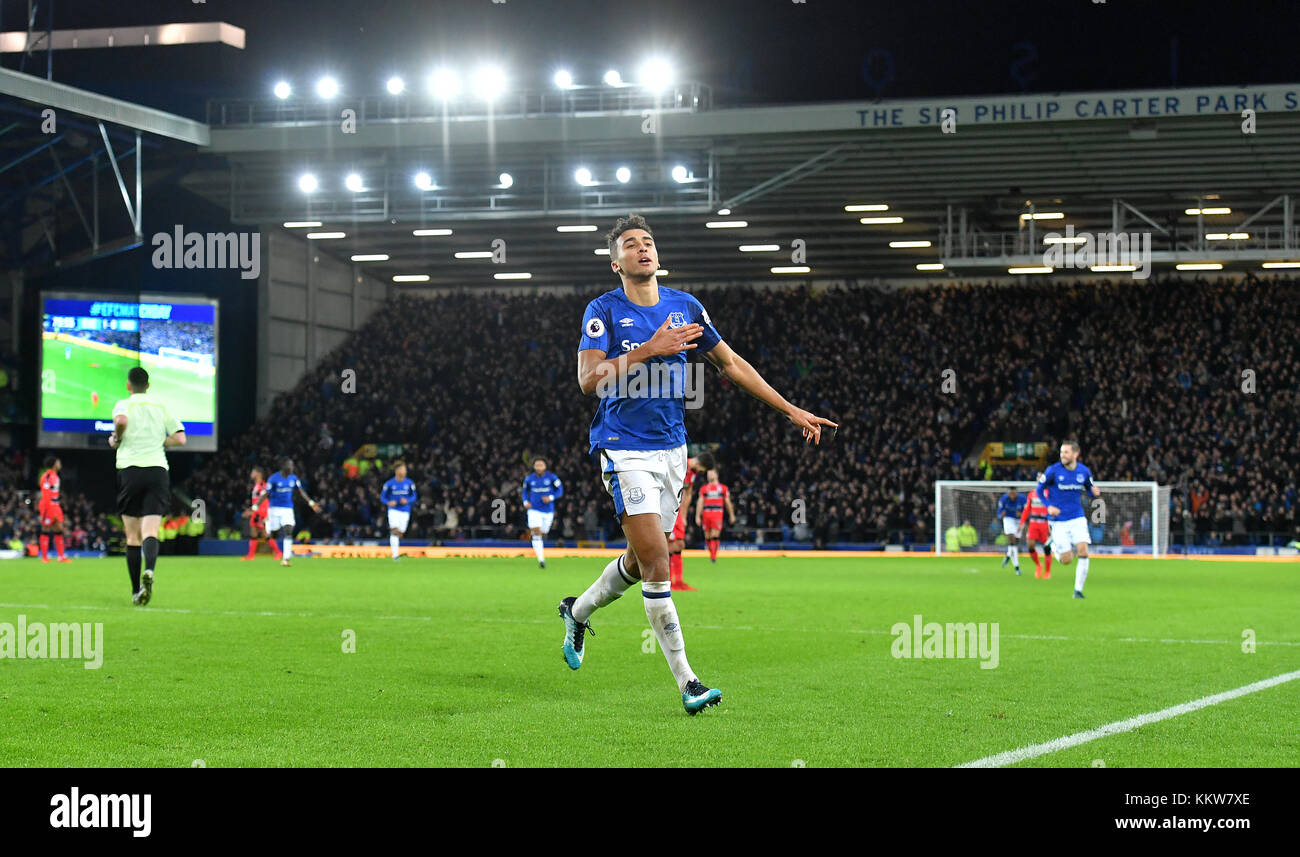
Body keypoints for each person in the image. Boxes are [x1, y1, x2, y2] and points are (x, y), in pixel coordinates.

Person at [557, 213, 837, 715]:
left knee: (644, 561)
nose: (643, 248)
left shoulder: (686, 307)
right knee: (658, 562)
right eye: (631, 244)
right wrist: (651, 348)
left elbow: (731, 364)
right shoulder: (602, 310)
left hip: (672, 449)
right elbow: (588, 379)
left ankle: (576, 611)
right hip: (623, 445)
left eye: (648, 241)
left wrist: (791, 408)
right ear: (615, 261)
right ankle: (688, 683)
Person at [109, 367, 186, 605]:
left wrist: (117, 438)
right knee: (150, 531)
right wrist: (159, 440)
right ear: (149, 385)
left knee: (132, 536)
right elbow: (181, 438)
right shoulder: (160, 406)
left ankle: (135, 591)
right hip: (157, 470)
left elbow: (121, 421)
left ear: (128, 385)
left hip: (131, 470)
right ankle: (150, 570)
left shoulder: (124, 404)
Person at [1038, 439, 1101, 599]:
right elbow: (1039, 490)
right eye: (1061, 452)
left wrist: (1093, 491)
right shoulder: (1053, 470)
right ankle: (1052, 546)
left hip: (1077, 517)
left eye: (1065, 452)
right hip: (1058, 520)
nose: (1062, 455)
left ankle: (1078, 590)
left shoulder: (1084, 471)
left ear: (1075, 453)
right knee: (1066, 560)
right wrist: (1048, 506)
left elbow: (1089, 487)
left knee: (1083, 550)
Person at [667, 452, 714, 591]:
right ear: (699, 464)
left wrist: (683, 516)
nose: (701, 473)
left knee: (680, 544)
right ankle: (667, 582)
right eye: (702, 470)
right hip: (668, 508)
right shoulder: (679, 463)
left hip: (678, 513)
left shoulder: (692, 473)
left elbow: (688, 493)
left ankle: (679, 582)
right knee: (669, 546)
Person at [265, 458, 321, 567]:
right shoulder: (273, 478)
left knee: (288, 531)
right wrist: (255, 506)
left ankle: (286, 558)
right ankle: (268, 527)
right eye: (290, 466)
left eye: (292, 465)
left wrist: (311, 503)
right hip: (274, 509)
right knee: (274, 534)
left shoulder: (293, 478)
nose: (292, 468)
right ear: (284, 467)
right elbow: (266, 494)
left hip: (287, 509)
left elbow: (301, 491)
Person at [521, 457, 563, 568]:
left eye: (541, 465)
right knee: (537, 532)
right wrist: (525, 502)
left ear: (545, 466)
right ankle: (541, 560)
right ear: (534, 467)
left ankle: (535, 541)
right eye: (537, 465)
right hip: (534, 510)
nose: (539, 467)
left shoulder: (552, 477)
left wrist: (550, 497)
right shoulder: (529, 479)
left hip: (548, 511)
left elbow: (560, 490)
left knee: (543, 533)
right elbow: (524, 492)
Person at [242, 466, 283, 561]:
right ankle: (251, 555)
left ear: (258, 474)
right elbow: (256, 501)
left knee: (264, 534)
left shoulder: (263, 486)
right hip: (256, 512)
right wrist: (250, 510)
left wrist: (264, 515)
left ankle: (278, 552)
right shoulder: (256, 486)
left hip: (260, 513)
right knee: (254, 533)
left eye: (253, 472)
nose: (251, 474)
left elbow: (265, 500)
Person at [696, 468, 735, 563]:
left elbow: (728, 502)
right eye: (708, 474)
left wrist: (731, 515)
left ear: (716, 475)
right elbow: (700, 502)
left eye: (711, 473)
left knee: (715, 535)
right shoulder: (704, 488)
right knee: (707, 536)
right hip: (706, 513)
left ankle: (713, 556)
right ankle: (711, 554)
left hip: (717, 513)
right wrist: (697, 516)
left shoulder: (723, 488)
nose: (709, 475)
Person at [381, 460, 417, 561]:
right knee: (394, 530)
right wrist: (388, 502)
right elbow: (382, 497)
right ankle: (395, 555)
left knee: (401, 531)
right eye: (403, 469)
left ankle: (396, 534)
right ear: (397, 470)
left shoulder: (409, 483)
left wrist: (407, 500)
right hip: (393, 510)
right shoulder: (389, 483)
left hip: (405, 510)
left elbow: (414, 496)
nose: (405, 471)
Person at [1017, 481, 1053, 579]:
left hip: (1045, 523)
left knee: (1047, 548)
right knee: (1030, 546)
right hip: (1033, 523)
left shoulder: (1050, 493)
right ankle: (1038, 565)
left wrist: (1052, 524)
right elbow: (1027, 509)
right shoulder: (1032, 494)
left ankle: (1047, 571)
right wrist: (1021, 523)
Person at [37, 456, 70, 563]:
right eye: (58, 462)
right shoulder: (47, 476)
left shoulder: (55, 476)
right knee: (46, 529)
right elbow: (46, 494)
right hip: (48, 506)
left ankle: (60, 556)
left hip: (55, 506)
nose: (60, 464)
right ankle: (44, 557)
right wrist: (46, 510)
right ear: (54, 464)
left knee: (59, 529)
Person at [997, 486, 1026, 575]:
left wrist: (1022, 515)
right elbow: (999, 513)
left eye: (1014, 494)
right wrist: (1001, 515)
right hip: (1008, 519)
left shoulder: (1023, 499)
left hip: (1019, 520)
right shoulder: (1003, 499)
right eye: (1010, 494)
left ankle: (1008, 555)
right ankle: (1017, 568)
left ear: (1017, 493)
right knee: (1012, 541)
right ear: (1008, 493)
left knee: (1015, 542)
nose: (1012, 496)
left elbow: (1027, 512)